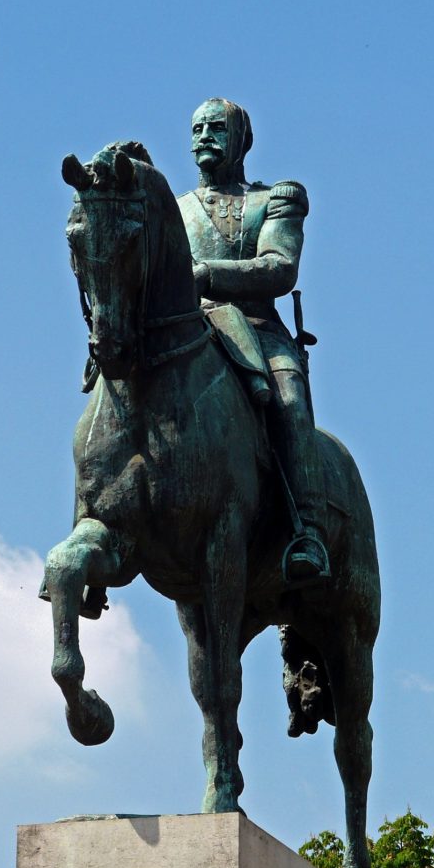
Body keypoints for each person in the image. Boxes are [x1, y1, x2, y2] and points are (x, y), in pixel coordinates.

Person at [177, 98, 329, 584]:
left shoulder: (275, 199)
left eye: (216, 128)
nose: (204, 136)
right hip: (189, 330)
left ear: (241, 140)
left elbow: (279, 267)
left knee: (290, 399)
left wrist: (207, 274)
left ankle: (308, 529)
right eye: (197, 129)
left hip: (258, 330)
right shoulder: (173, 209)